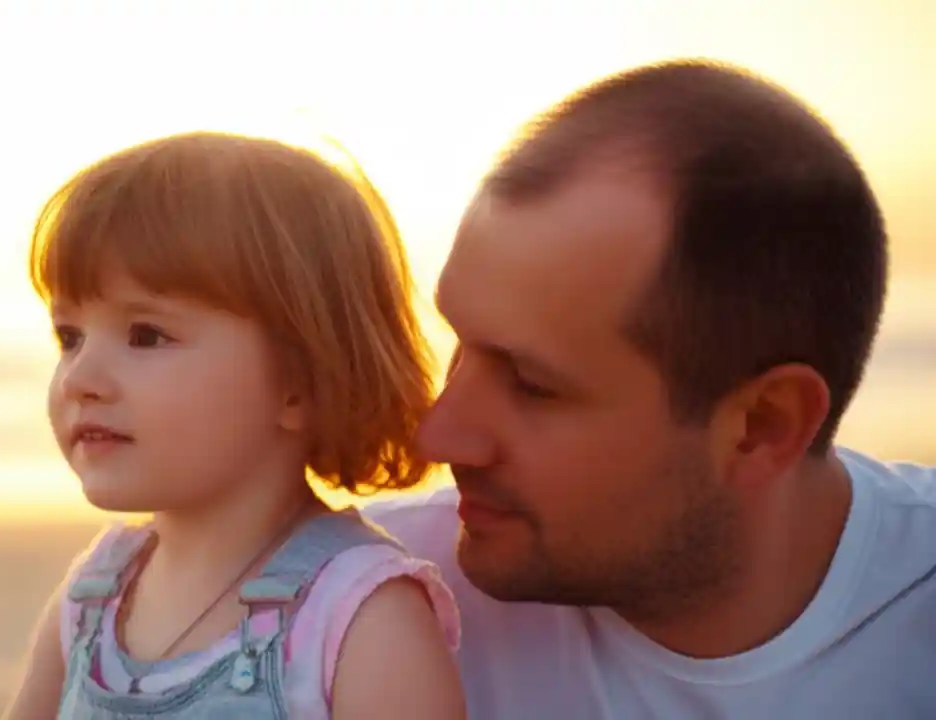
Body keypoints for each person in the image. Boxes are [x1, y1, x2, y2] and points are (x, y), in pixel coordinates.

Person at [365, 59, 936, 718]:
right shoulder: (359, 607)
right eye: (458, 344)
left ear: (763, 427)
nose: (436, 434)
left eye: (531, 385)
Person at [2, 132, 465, 719]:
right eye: (70, 338)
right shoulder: (92, 598)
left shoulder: (358, 617)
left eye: (146, 335)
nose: (80, 377)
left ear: (299, 381)